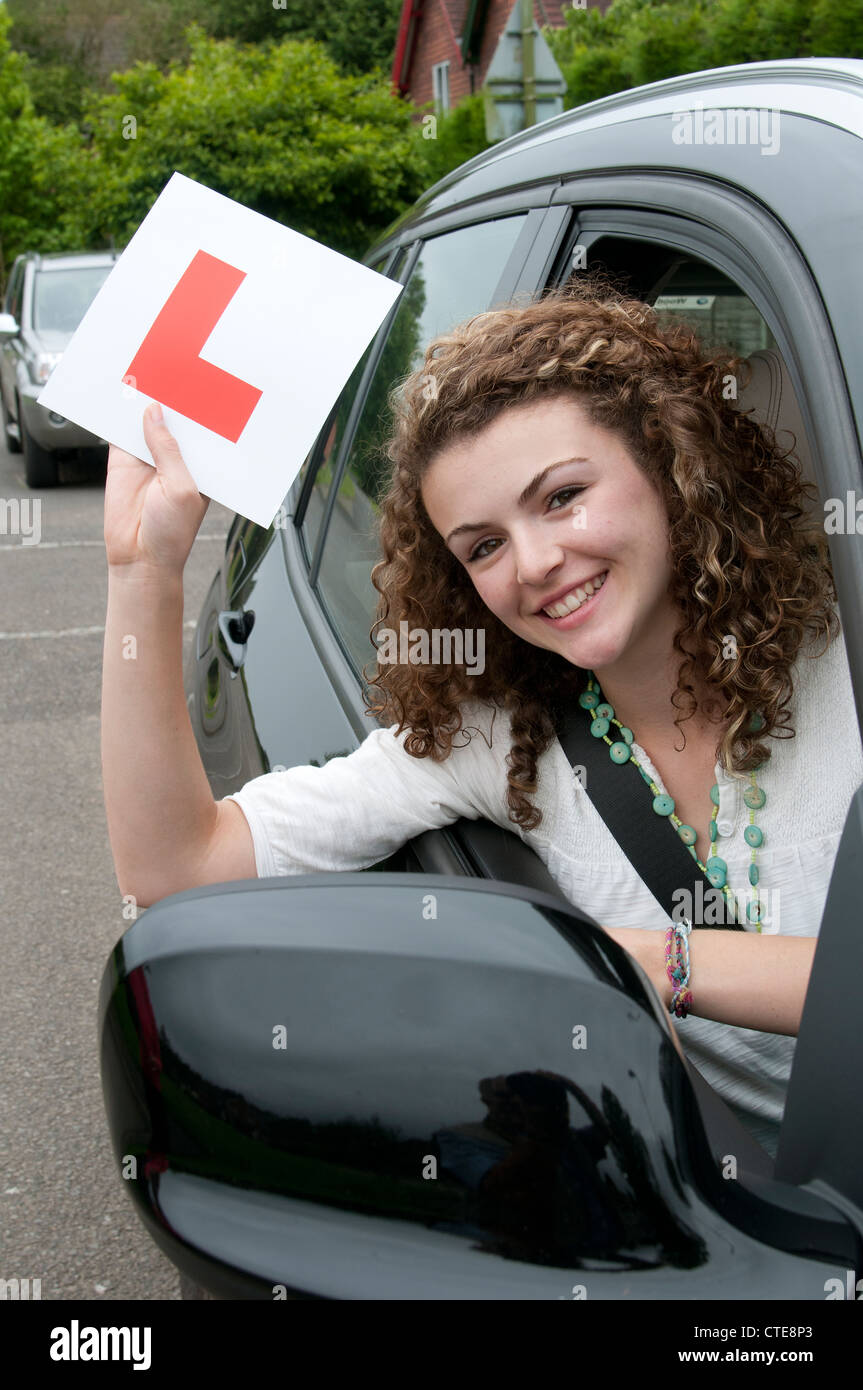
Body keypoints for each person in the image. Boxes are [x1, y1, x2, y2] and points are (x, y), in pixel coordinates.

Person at [101, 276, 862, 1160]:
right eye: (484, 546)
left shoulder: (844, 660)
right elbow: (176, 868)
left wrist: (632, 960)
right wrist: (143, 572)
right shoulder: (496, 733)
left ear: (669, 462)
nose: (536, 562)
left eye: (562, 496)